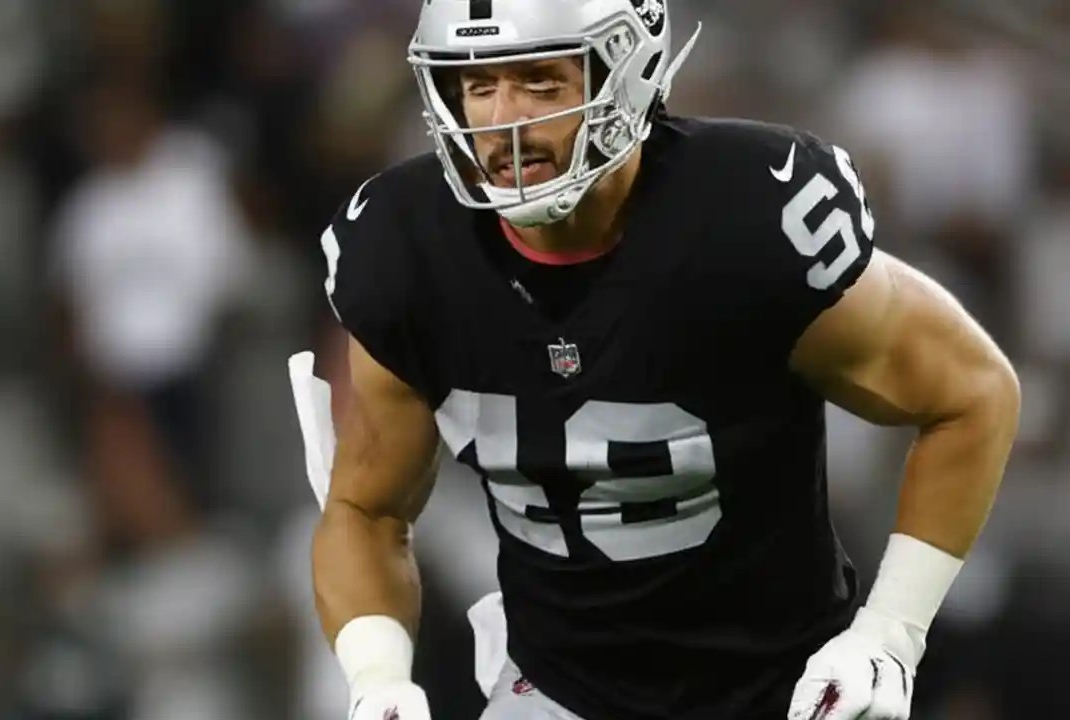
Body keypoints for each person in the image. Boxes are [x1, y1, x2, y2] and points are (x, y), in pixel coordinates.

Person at [308, 1, 1021, 719]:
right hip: (559, 688)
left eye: (541, 82)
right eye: (479, 84)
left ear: (628, 71)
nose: (504, 120)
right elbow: (366, 508)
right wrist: (379, 678)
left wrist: (888, 636)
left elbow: (972, 393)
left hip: (785, 685)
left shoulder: (749, 216)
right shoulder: (404, 251)